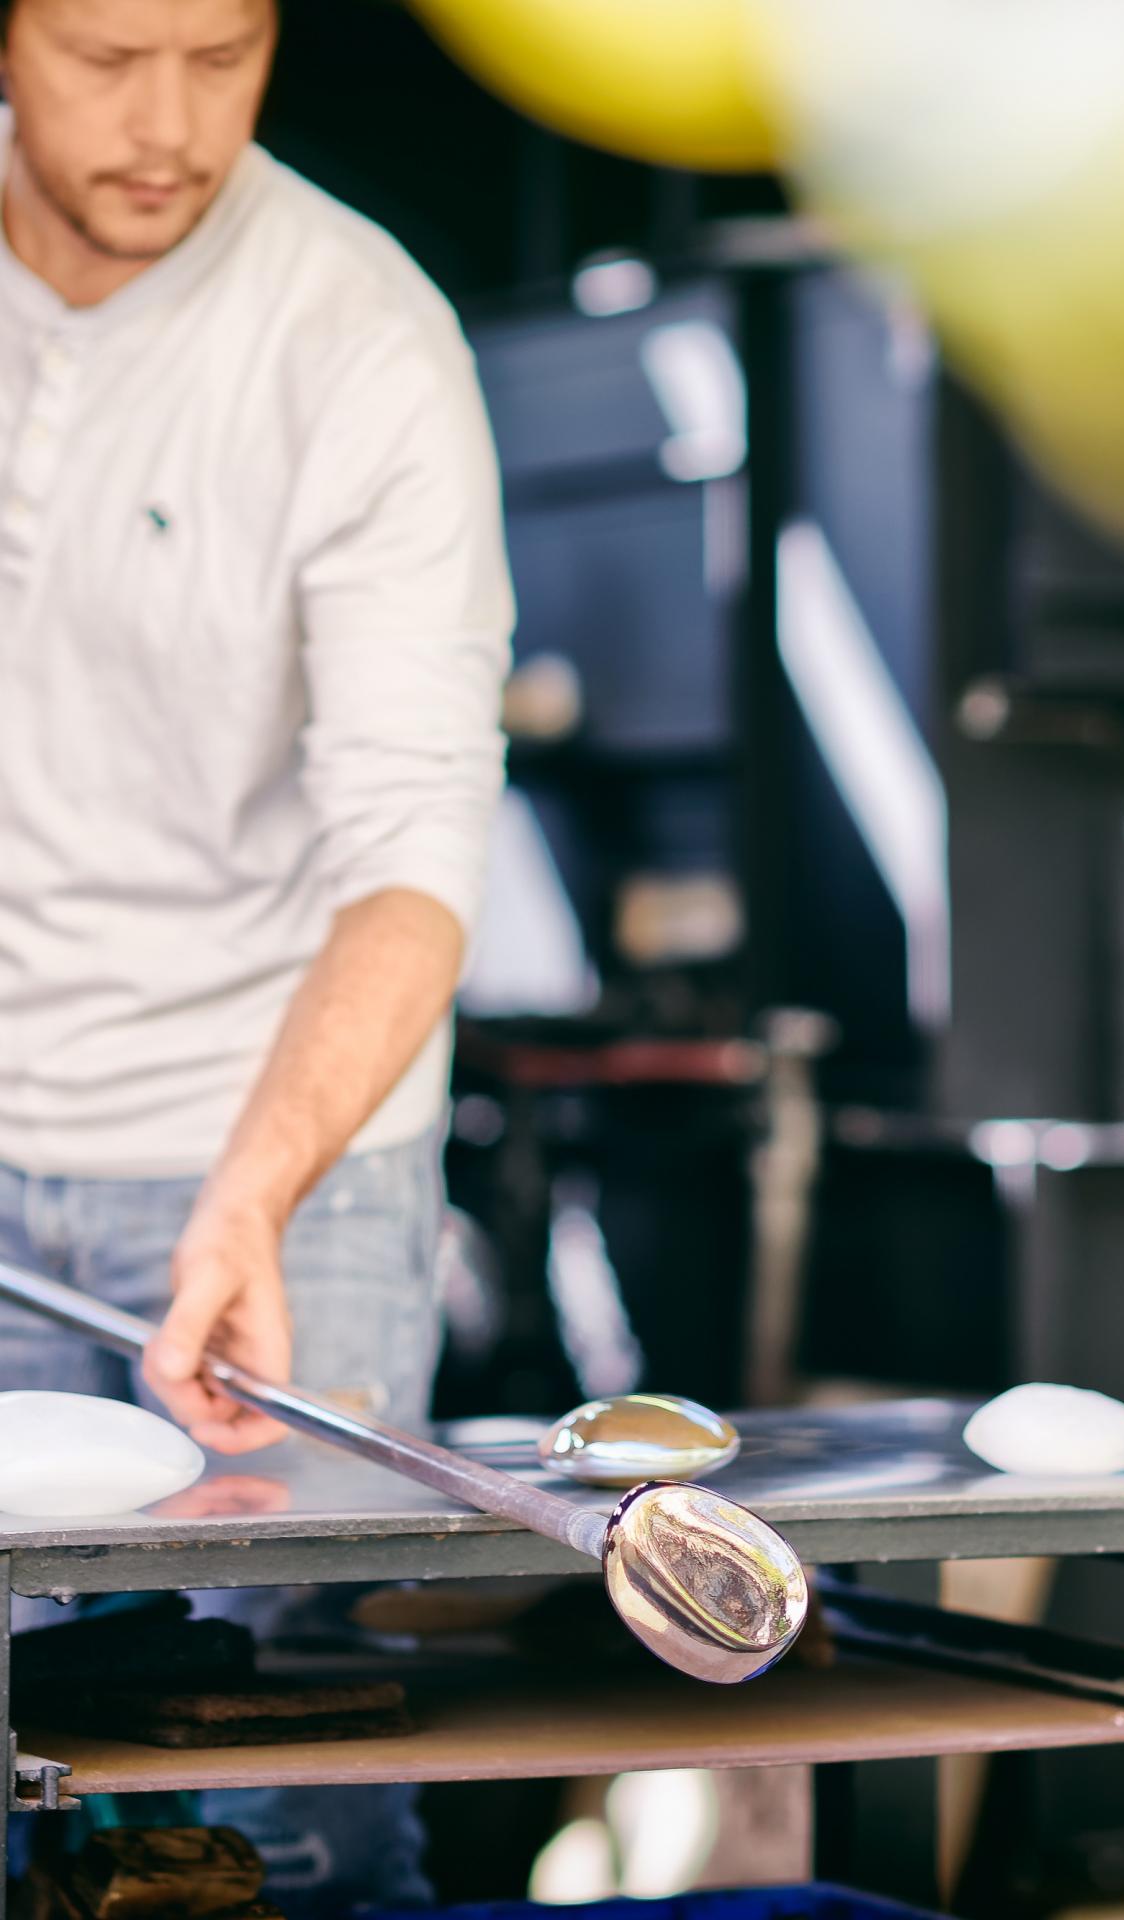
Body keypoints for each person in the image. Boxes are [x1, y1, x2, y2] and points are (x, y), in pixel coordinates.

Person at [0, 0, 513, 1907]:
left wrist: (253, 1193)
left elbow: (414, 852)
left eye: (221, 55)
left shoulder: (358, 336)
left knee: (270, 1833)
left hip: (272, 1194)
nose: (165, 122)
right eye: (101, 53)